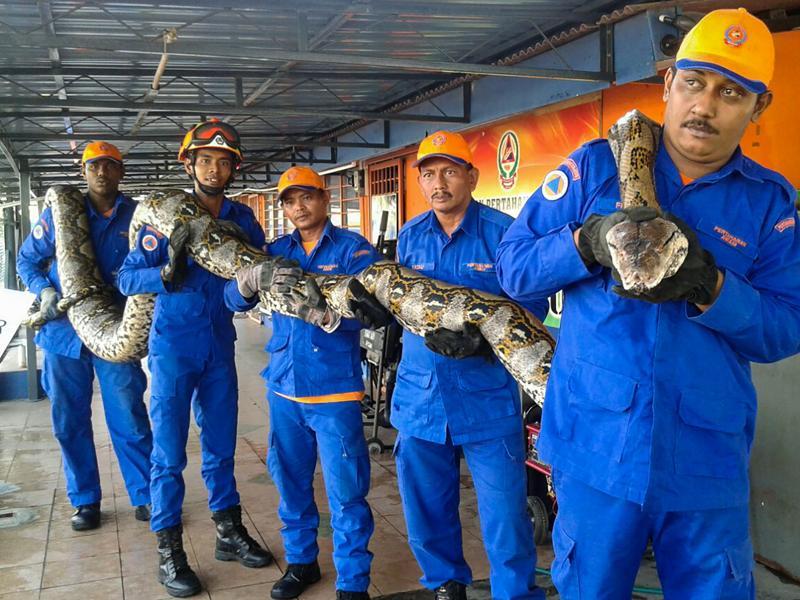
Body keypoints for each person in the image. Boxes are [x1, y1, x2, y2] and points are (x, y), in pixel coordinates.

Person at [496, 8, 800, 598]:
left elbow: (786, 327)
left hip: (705, 455)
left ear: (758, 107)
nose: (705, 106)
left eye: (731, 92)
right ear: (668, 84)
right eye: (694, 82)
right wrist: (586, 243)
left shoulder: (771, 205)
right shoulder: (593, 168)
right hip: (595, 445)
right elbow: (514, 268)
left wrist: (710, 287)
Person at [117, 120, 275, 598]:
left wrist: (247, 290)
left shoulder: (244, 220)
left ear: (234, 169)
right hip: (171, 351)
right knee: (168, 454)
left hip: (219, 347)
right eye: (205, 159)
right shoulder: (161, 218)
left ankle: (227, 530)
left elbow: (243, 290)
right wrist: (165, 274)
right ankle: (169, 548)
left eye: (224, 161)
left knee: (222, 447)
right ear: (189, 164)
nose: (215, 168)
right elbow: (125, 279)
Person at [391, 131, 549, 600]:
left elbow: (533, 305)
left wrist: (482, 342)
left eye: (449, 171)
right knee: (426, 510)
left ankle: (515, 593)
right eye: (429, 174)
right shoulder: (410, 236)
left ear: (472, 176)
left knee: (504, 515)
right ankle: (445, 586)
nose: (438, 183)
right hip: (420, 398)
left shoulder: (505, 234)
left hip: (486, 399)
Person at [225, 166, 391, 600]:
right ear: (283, 207)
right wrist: (245, 283)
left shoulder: (356, 252)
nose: (299, 207)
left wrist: (337, 318)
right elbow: (231, 299)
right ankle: (302, 563)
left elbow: (375, 317)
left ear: (324, 199)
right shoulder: (274, 253)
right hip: (283, 388)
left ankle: (353, 582)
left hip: (334, 391)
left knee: (346, 490)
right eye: (290, 200)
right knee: (291, 482)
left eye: (308, 197)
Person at [17, 141, 153, 531]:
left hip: (115, 328)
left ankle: (143, 494)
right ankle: (85, 500)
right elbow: (27, 259)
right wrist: (44, 289)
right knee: (68, 419)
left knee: (128, 412)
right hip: (63, 334)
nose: (102, 173)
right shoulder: (60, 212)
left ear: (121, 172)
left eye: (110, 166)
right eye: (94, 166)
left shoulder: (136, 216)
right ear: (84, 171)